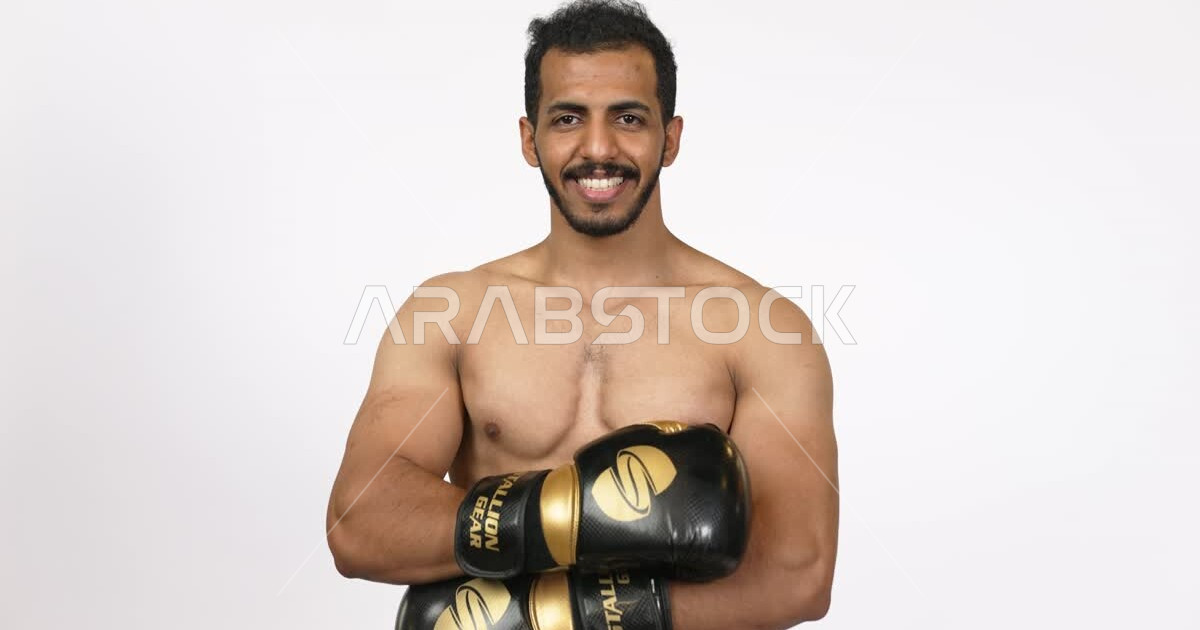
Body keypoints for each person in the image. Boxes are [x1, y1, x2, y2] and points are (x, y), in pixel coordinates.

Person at [326, 1, 838, 628]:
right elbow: (359, 522)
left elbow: (798, 573)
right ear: (529, 138)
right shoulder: (447, 314)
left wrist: (549, 612)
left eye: (628, 117)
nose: (599, 149)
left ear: (669, 139)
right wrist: (567, 514)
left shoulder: (762, 329)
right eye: (568, 118)